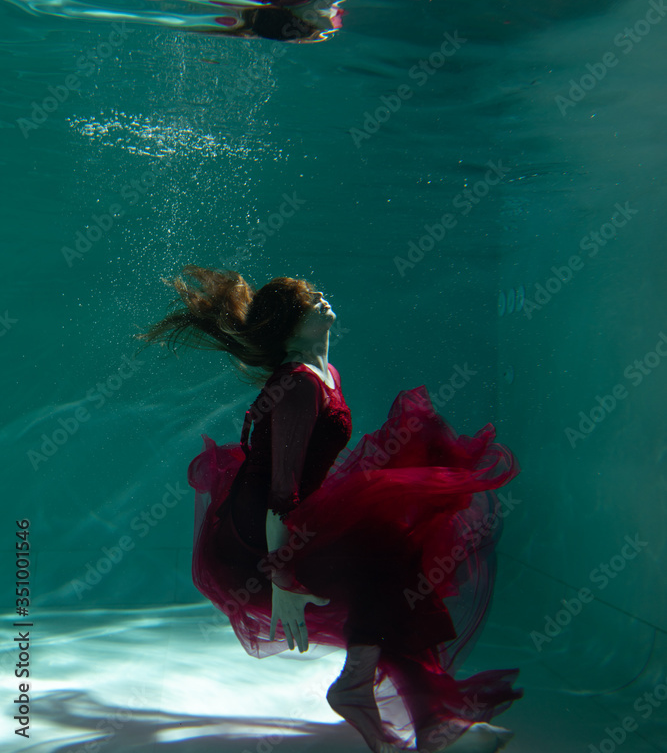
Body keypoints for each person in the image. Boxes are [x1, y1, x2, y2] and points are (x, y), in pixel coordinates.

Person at [137, 266, 522, 752]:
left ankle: (402, 708)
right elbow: (281, 490)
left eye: (313, 294)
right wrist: (281, 579)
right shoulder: (298, 384)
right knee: (387, 563)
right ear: (290, 328)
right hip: (257, 535)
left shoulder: (325, 373)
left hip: (291, 516)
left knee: (394, 568)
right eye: (304, 302)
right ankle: (403, 708)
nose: (319, 297)